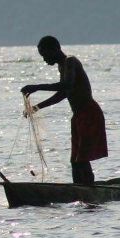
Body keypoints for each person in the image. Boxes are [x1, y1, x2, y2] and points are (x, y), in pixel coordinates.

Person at [20, 36, 107, 184]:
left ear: (55, 49)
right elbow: (63, 94)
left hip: (89, 114)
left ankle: (88, 192)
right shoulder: (62, 66)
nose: (45, 60)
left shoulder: (70, 61)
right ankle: (79, 190)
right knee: (75, 160)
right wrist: (36, 107)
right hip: (79, 116)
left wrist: (36, 87)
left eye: (45, 55)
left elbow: (66, 85)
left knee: (82, 159)